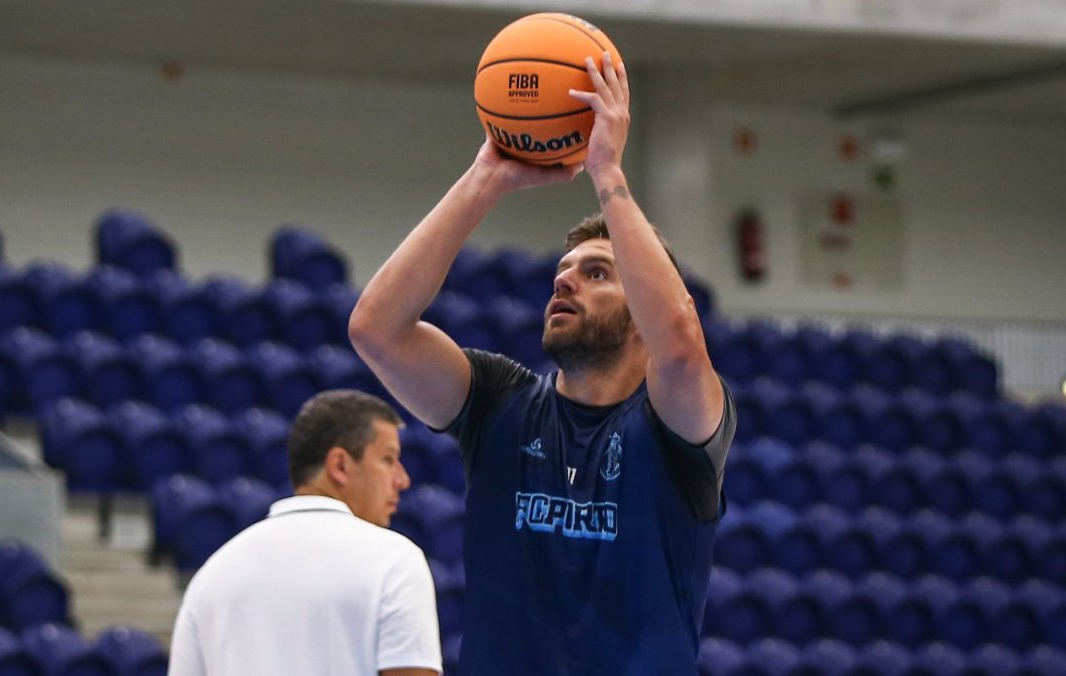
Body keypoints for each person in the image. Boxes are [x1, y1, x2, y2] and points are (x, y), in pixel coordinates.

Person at [348, 52, 735, 675]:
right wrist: (486, 178)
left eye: (596, 273)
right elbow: (376, 329)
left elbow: (684, 344)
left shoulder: (676, 428)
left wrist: (607, 172)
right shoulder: (500, 400)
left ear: (640, 307)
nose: (565, 284)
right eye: (561, 274)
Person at [167, 389, 442, 676]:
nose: (403, 479)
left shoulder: (212, 575)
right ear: (340, 465)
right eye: (388, 459)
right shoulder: (395, 561)